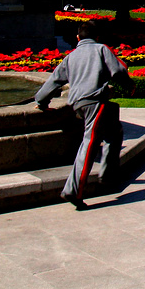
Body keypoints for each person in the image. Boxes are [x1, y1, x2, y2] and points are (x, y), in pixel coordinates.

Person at [35, 19, 131, 210]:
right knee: (89, 145)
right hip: (95, 102)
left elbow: (54, 81)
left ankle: (108, 176)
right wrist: (130, 85)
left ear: (77, 38)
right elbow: (119, 71)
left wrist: (41, 102)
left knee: (114, 131)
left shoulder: (70, 57)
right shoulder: (101, 49)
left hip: (79, 103)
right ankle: (73, 191)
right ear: (97, 37)